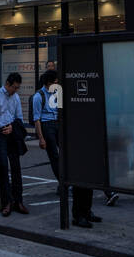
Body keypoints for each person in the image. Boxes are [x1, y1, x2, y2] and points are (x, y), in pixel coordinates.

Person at [34, 69, 98, 228]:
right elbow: (36, 119)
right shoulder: (38, 96)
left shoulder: (59, 92)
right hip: (47, 125)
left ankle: (68, 183)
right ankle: (62, 181)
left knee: (66, 154)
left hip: (58, 124)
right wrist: (41, 138)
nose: (57, 83)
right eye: (55, 81)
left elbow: (63, 110)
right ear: (48, 82)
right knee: (55, 156)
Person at [0, 72, 28, 216]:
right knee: (3, 167)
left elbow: (19, 119)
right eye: (15, 87)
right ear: (8, 84)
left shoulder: (15, 97)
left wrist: (12, 127)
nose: (16, 90)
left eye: (18, 88)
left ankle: (18, 201)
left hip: (12, 134)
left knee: (16, 167)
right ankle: (6, 202)